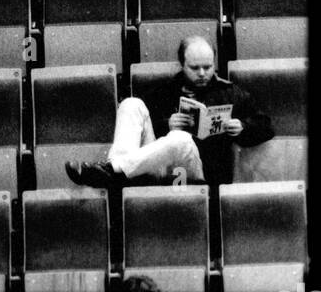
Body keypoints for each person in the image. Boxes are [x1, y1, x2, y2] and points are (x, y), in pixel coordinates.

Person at [66, 34, 274, 189]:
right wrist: (166, 124)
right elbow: (143, 129)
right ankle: (116, 170)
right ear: (182, 65)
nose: (202, 73)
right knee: (131, 104)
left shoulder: (231, 93)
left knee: (180, 139)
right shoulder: (166, 90)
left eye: (208, 67)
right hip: (156, 167)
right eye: (194, 68)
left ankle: (112, 172)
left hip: (198, 173)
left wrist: (242, 128)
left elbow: (266, 126)